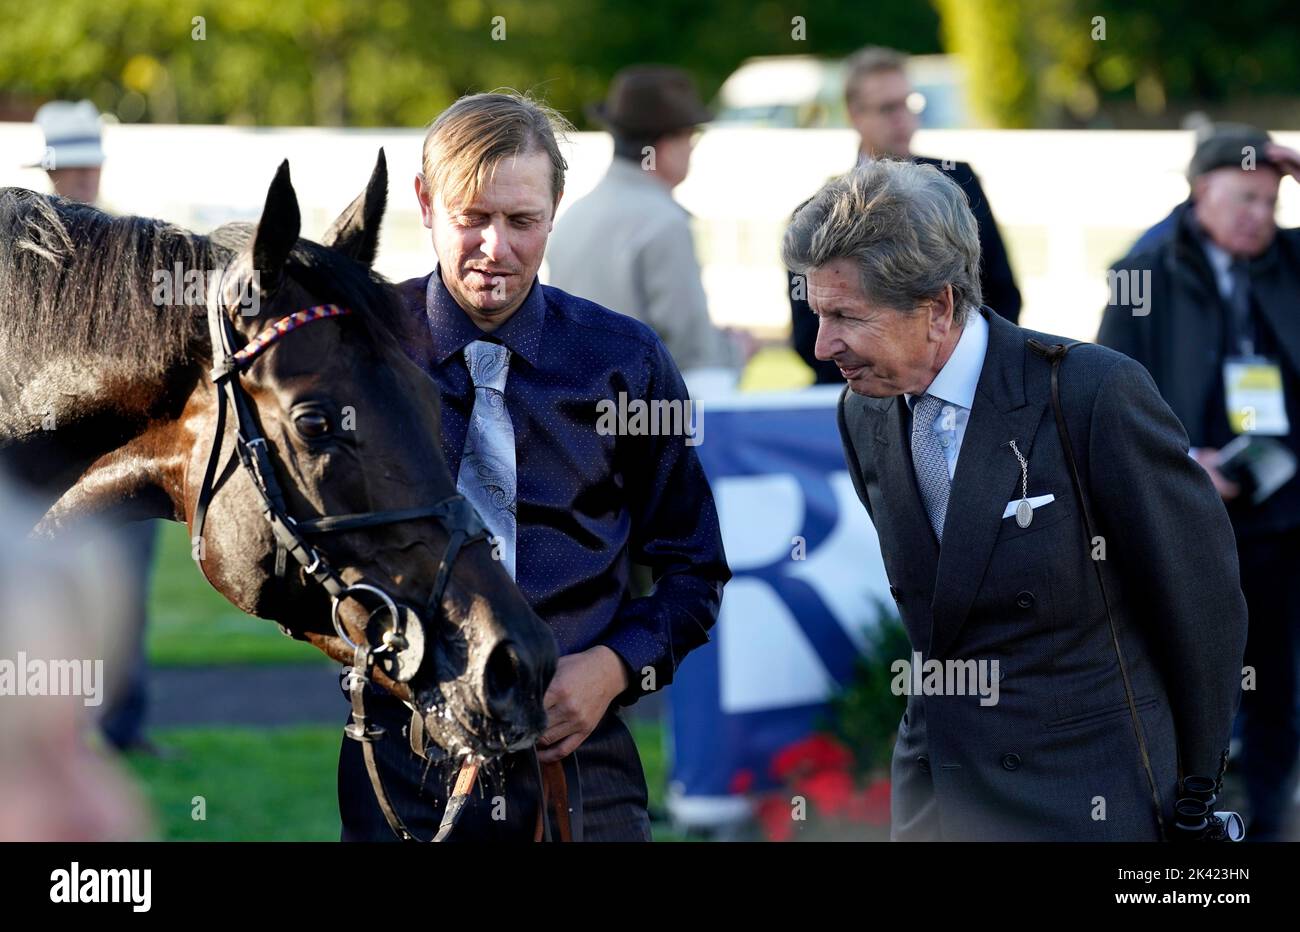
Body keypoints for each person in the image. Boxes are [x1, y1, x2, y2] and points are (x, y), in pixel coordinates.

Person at [787, 158, 1247, 840]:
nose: (824, 347)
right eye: (818, 314)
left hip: (1095, 800)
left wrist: (1194, 795)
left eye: (846, 316)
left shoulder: (1092, 393)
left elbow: (1200, 604)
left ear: (937, 306)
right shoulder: (864, 413)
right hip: (944, 802)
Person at [335, 91, 731, 841]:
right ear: (424, 202)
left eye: (522, 222)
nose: (497, 248)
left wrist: (615, 667)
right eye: (472, 218)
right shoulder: (359, 355)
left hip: (582, 766)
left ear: (556, 209)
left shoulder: (624, 361)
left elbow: (695, 571)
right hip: (402, 766)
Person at [1098, 124, 1300, 841]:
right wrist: (1183, 466)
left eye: (1271, 201)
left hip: (1280, 515)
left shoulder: (1288, 262)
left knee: (1278, 685)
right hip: (1184, 516)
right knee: (1192, 684)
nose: (1259, 215)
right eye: (1244, 197)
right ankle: (1191, 830)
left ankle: (1271, 824)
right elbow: (1105, 402)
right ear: (1200, 190)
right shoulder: (1144, 271)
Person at [27, 99, 162, 756]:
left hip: (118, 456)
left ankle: (120, 729)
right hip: (48, 463)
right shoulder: (28, 249)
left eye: (88, 165)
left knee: (125, 597)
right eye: (70, 167)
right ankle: (59, 736)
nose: (80, 177)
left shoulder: (124, 239)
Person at [788, 46, 1022, 384]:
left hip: (966, 385)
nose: (902, 119)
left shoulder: (961, 182)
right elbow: (809, 332)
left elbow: (1001, 291)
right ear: (855, 114)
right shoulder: (819, 214)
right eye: (887, 108)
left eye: (909, 104)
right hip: (860, 397)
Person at [547, 65, 744, 376]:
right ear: (664, 146)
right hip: (648, 412)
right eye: (689, 136)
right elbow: (693, 352)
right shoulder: (663, 222)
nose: (692, 147)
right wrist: (737, 351)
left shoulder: (574, 214)